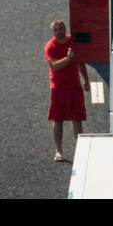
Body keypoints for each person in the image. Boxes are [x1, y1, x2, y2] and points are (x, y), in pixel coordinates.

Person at [45, 19, 90, 162]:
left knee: (77, 119)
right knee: (57, 119)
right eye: (56, 30)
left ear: (65, 28)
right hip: (58, 87)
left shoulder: (73, 42)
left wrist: (86, 80)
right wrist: (68, 58)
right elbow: (55, 66)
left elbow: (81, 62)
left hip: (74, 86)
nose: (59, 32)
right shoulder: (50, 47)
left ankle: (80, 149)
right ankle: (58, 150)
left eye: (61, 28)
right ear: (53, 32)